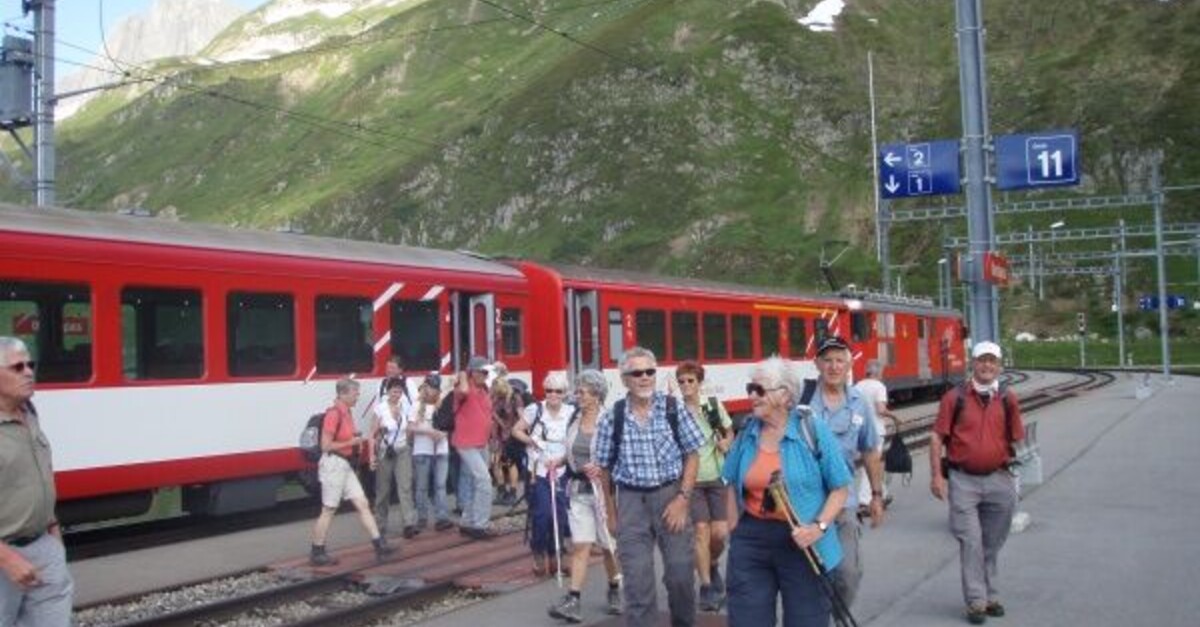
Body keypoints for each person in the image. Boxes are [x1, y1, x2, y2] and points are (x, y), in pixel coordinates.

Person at [722, 356, 851, 627]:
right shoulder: (747, 430)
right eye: (750, 389)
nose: (751, 396)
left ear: (784, 395)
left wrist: (818, 527)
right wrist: (734, 527)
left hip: (804, 541)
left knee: (806, 620)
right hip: (752, 539)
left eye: (759, 390)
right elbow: (729, 478)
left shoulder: (812, 429)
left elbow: (840, 487)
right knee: (747, 620)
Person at [594, 346, 705, 627]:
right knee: (637, 581)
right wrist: (611, 514)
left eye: (649, 371)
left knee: (680, 576)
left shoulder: (673, 408)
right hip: (631, 503)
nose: (644, 377)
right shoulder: (612, 417)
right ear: (624, 379)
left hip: (671, 496)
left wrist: (683, 499)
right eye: (637, 373)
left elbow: (693, 454)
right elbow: (604, 469)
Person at [929, 341, 1025, 625]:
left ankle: (990, 594)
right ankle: (977, 601)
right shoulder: (954, 398)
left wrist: (1014, 475)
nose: (987, 366)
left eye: (992, 361)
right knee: (971, 542)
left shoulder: (1008, 398)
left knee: (992, 542)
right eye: (982, 360)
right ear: (973, 363)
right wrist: (936, 476)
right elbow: (937, 437)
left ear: (999, 366)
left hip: (999, 479)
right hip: (963, 481)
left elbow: (1017, 437)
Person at [0, 337, 74, 626]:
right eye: (17, 367)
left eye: (30, 364)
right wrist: (7, 559)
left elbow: (37, 475)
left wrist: (54, 533)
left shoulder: (29, 414)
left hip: (43, 546)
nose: (29, 372)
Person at [807, 335, 884, 607]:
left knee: (848, 572)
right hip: (807, 502)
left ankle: (837, 615)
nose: (834, 366)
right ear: (817, 364)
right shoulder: (802, 400)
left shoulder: (859, 402)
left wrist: (876, 496)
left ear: (849, 365)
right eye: (827, 360)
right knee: (809, 575)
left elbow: (870, 451)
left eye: (840, 360)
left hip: (844, 502)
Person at [548, 369, 623, 622]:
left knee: (608, 546)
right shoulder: (575, 418)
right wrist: (559, 461)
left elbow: (621, 454)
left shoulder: (610, 420)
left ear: (596, 395)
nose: (577, 395)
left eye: (582, 391)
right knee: (581, 545)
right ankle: (573, 599)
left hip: (604, 492)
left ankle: (614, 588)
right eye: (578, 390)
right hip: (578, 490)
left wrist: (601, 466)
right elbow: (574, 451)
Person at [309, 377, 394, 566]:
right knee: (329, 509)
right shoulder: (334, 414)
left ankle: (379, 544)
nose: (358, 396)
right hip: (333, 465)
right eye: (355, 393)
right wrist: (351, 442)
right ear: (343, 394)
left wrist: (354, 444)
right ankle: (317, 550)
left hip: (344, 465)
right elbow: (325, 446)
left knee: (362, 503)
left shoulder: (347, 412)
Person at [671, 360, 733, 612]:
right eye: (682, 381)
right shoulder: (675, 412)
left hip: (716, 476)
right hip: (691, 480)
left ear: (699, 383)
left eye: (690, 381)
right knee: (700, 531)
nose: (686, 385)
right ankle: (706, 587)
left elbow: (729, 432)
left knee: (719, 534)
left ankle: (712, 563)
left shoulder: (712, 406)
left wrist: (727, 443)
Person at [512, 372, 574, 576]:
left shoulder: (571, 412)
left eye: (558, 391)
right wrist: (532, 441)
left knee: (561, 514)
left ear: (565, 393)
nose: (553, 395)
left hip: (562, 469)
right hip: (538, 470)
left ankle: (557, 552)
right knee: (542, 514)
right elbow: (516, 430)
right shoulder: (535, 409)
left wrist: (564, 458)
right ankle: (538, 550)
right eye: (549, 390)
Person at [367, 377, 418, 539]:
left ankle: (409, 523)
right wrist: (371, 456)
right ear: (388, 392)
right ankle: (380, 524)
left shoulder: (405, 407)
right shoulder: (380, 409)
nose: (397, 395)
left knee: (405, 486)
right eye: (394, 392)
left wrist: (409, 442)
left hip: (402, 450)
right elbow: (371, 434)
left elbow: (410, 427)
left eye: (400, 392)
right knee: (383, 489)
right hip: (385, 451)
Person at [453, 356, 496, 540]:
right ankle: (480, 524)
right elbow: (463, 390)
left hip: (482, 442)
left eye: (487, 372)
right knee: (484, 481)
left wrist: (492, 438)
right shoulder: (463, 388)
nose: (486, 375)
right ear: (473, 372)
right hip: (466, 442)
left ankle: (467, 521)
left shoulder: (484, 389)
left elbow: (488, 414)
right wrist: (464, 374)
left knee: (474, 483)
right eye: (482, 371)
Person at [410, 373, 453, 531]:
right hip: (422, 450)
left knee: (440, 485)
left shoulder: (443, 405)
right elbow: (410, 427)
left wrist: (443, 434)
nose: (430, 390)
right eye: (428, 387)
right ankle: (422, 517)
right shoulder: (416, 405)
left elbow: (450, 425)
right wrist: (429, 432)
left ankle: (442, 517)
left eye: (433, 388)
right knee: (422, 486)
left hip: (441, 449)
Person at [853, 359, 897, 509]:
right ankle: (865, 499)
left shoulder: (858, 386)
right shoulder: (879, 386)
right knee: (872, 463)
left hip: (860, 430)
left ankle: (883, 494)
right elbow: (880, 409)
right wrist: (893, 416)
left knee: (872, 463)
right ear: (878, 372)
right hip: (876, 430)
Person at [491, 375, 525, 506]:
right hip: (497, 435)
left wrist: (518, 430)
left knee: (510, 463)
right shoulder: (495, 398)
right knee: (496, 462)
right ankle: (501, 491)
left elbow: (522, 417)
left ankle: (512, 492)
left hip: (511, 435)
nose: (495, 392)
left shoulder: (514, 398)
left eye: (496, 390)